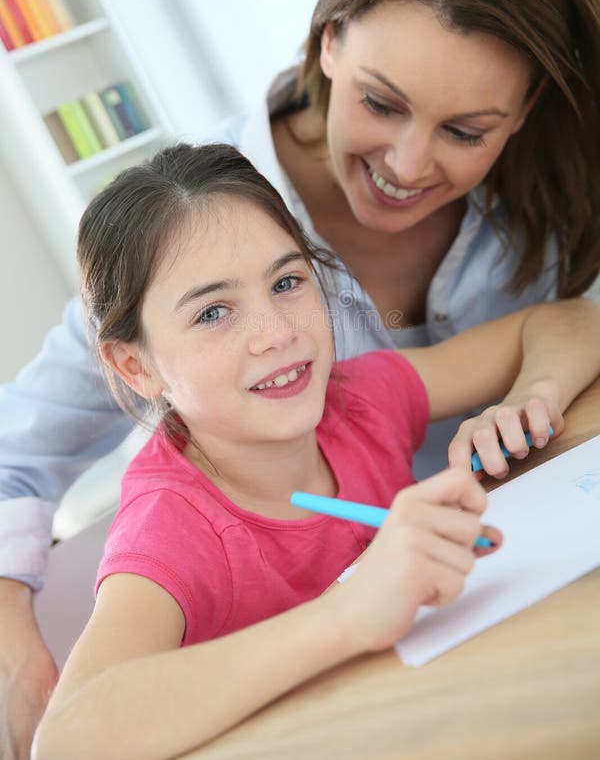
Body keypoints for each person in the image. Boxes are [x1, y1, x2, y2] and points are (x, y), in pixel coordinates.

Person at [2, 0, 600, 758]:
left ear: (522, 119)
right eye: (381, 102)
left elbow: (560, 324)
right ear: (328, 41)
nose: (406, 163)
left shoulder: (362, 394)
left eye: (465, 131)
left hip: (469, 606)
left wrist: (533, 399)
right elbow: (76, 727)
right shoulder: (204, 235)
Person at [31, 143, 600, 759]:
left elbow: (572, 320)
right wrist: (349, 614)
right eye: (214, 312)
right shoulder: (171, 527)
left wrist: (532, 394)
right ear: (136, 365)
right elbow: (66, 741)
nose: (277, 333)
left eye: (287, 281)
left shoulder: (358, 402)